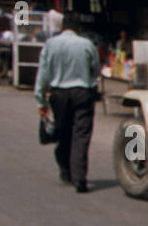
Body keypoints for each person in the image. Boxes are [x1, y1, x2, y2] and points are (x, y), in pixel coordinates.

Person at [34, 14, 100, 192]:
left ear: (63, 27)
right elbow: (96, 70)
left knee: (63, 133)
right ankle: (80, 177)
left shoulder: (51, 44)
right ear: (79, 29)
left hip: (59, 94)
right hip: (83, 93)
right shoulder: (87, 44)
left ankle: (65, 168)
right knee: (81, 135)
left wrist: (40, 100)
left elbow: (43, 73)